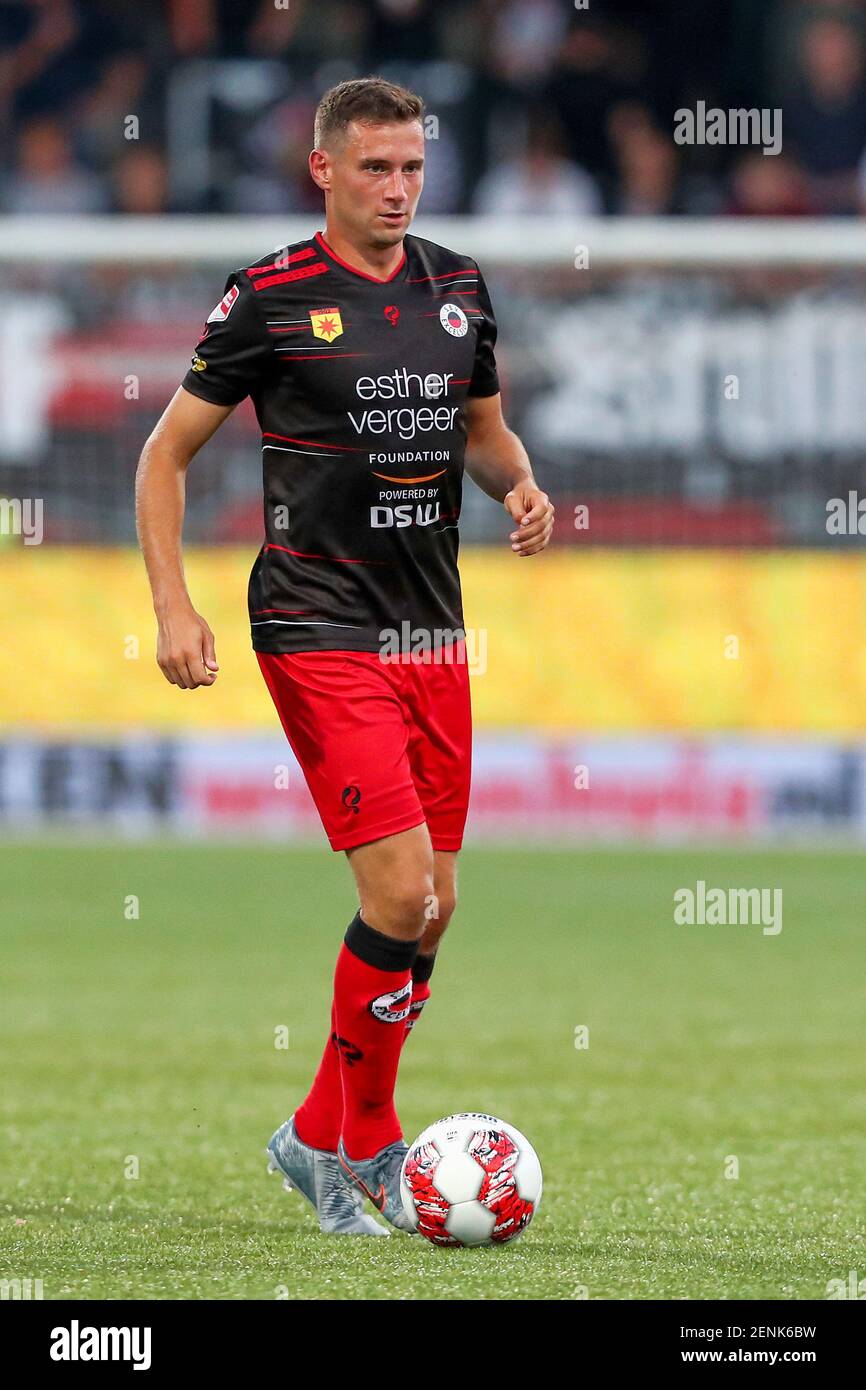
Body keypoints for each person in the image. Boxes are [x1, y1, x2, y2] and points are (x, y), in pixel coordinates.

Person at [135, 76, 553, 1236]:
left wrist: (517, 483)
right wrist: (174, 606)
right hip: (317, 622)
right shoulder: (268, 297)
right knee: (398, 889)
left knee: (436, 906)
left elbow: (482, 430)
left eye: (412, 166)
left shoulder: (457, 288)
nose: (397, 187)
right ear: (322, 169)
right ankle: (361, 1148)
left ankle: (311, 1128)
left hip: (430, 629)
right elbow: (161, 458)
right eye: (374, 167)